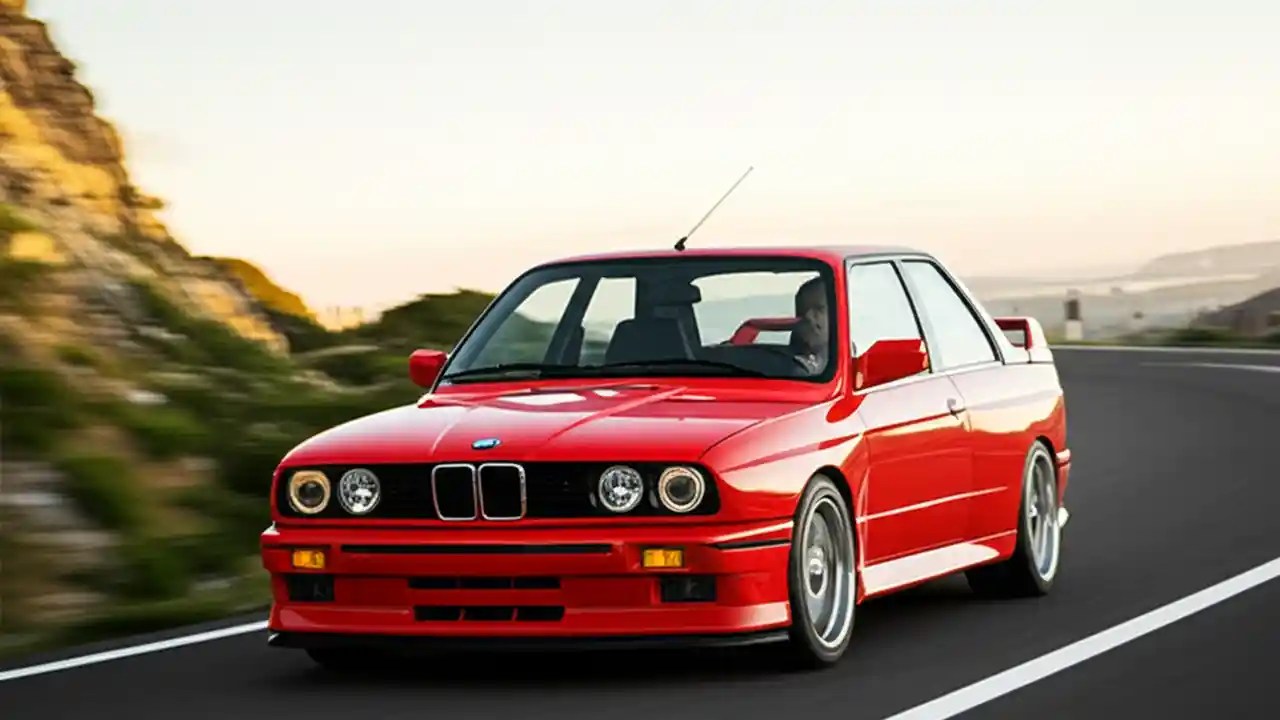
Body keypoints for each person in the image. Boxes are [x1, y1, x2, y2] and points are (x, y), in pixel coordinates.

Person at [791, 275, 829, 374]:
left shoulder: (855, 363)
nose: (808, 316)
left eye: (819, 309)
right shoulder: (785, 367)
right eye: (803, 310)